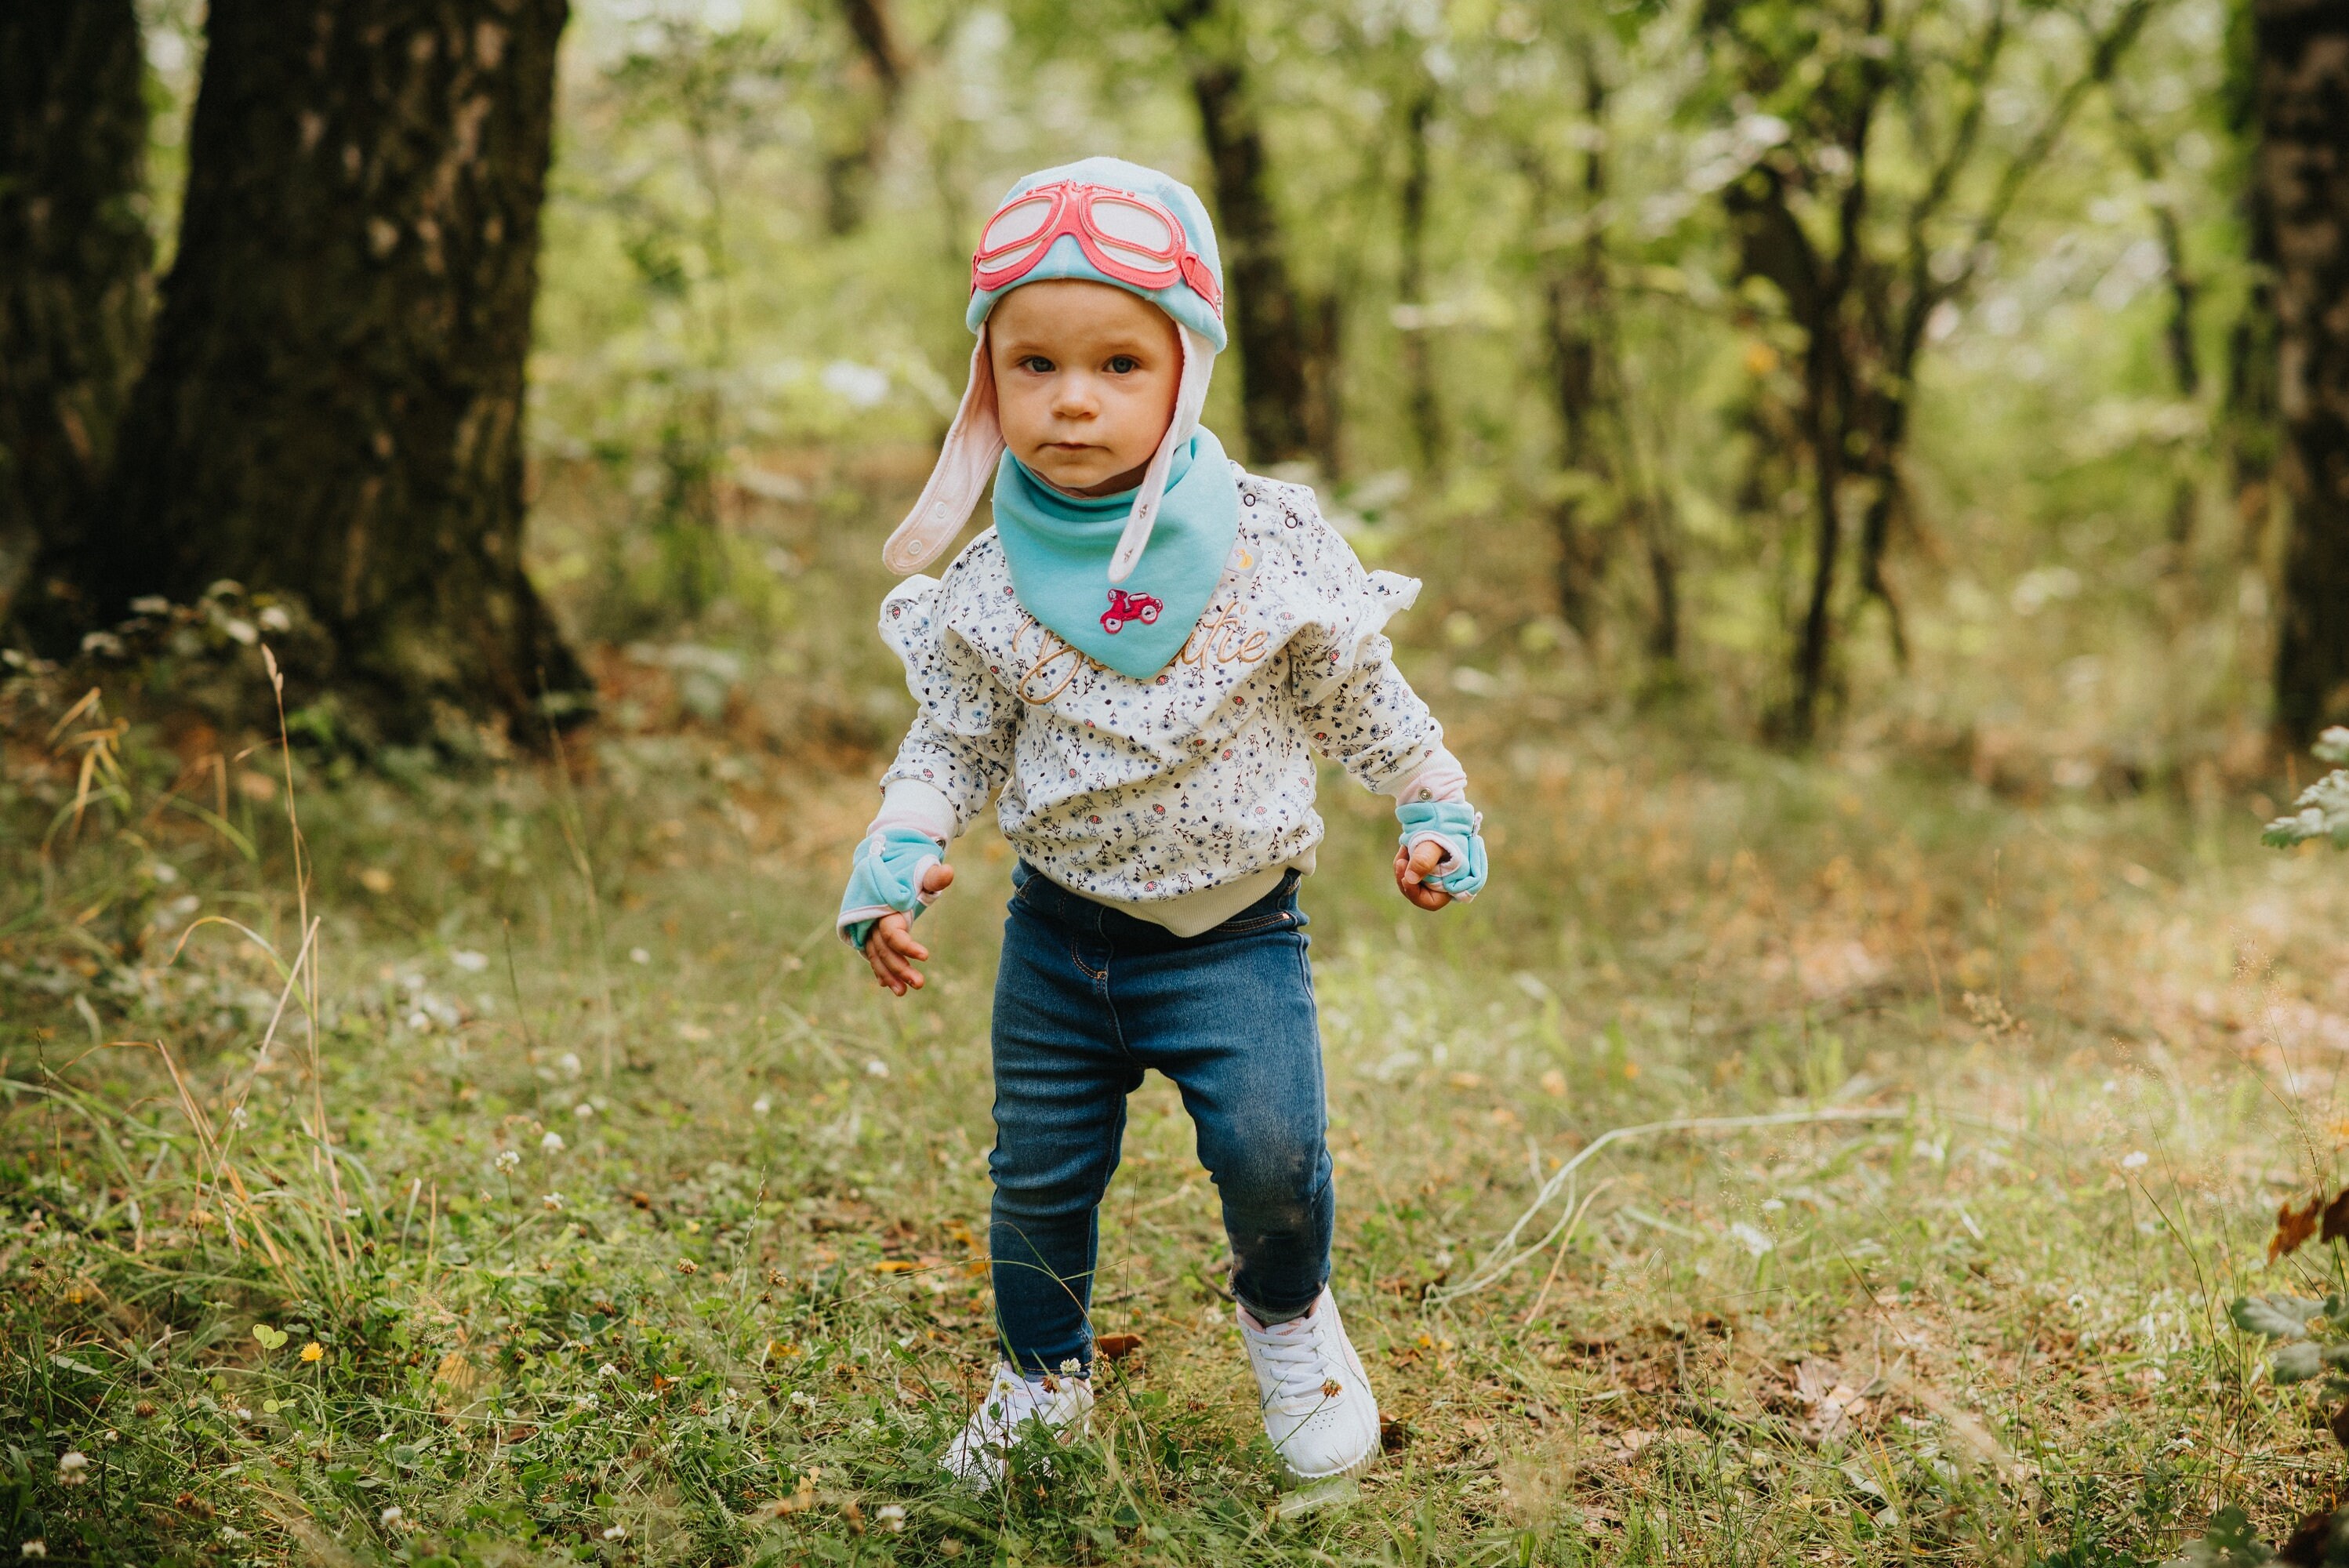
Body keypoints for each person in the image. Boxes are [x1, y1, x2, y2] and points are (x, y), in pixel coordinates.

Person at [835, 156, 1490, 1490]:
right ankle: (1040, 1375)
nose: (1073, 398)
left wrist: (1434, 799)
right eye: (1034, 365)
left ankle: (1289, 1321)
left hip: (1234, 939)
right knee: (1038, 1175)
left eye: (1119, 364)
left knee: (1271, 1158)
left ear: (1186, 370)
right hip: (1058, 940)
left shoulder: (1265, 545)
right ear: (987, 379)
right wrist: (900, 845)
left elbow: (1358, 690)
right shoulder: (990, 582)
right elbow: (955, 738)